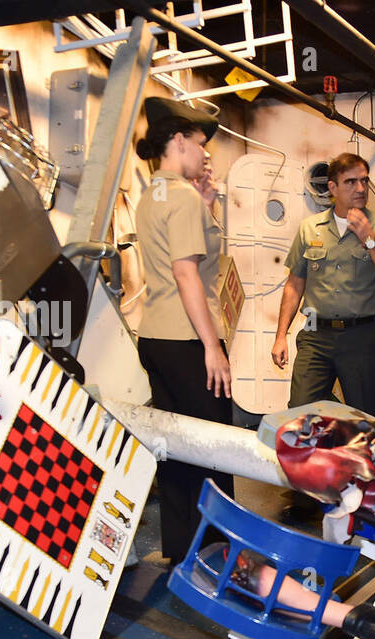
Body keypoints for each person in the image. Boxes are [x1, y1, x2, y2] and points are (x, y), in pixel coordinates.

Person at [133, 96, 234, 564]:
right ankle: (219, 549)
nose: (204, 155)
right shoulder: (184, 197)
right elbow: (187, 274)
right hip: (189, 339)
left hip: (154, 336)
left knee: (174, 447)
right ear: (178, 141)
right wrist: (212, 347)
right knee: (215, 447)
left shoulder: (153, 194)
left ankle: (180, 546)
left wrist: (207, 205)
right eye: (199, 145)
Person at [271, 152, 375, 420]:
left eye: (365, 181)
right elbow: (294, 284)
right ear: (332, 187)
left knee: (364, 419)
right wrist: (280, 336)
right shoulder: (310, 228)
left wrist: (370, 240)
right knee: (299, 415)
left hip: (360, 337)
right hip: (314, 334)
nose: (360, 188)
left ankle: (361, 461)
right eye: (351, 182)